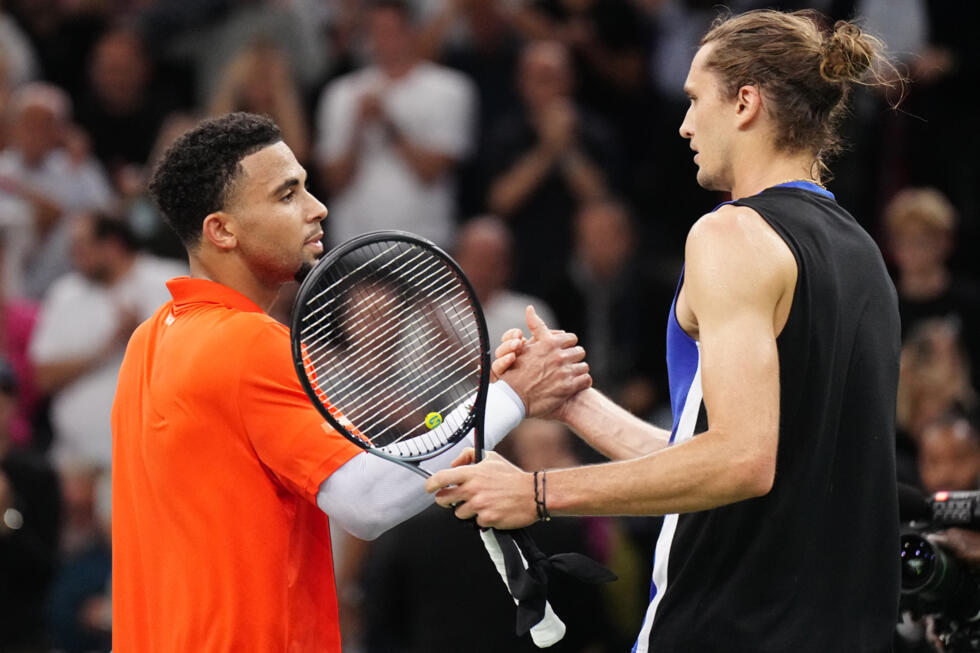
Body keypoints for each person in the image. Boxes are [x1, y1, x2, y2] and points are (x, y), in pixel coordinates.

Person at [427, 9, 902, 652]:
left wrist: (535, 492)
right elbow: (730, 465)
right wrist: (578, 405)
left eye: (693, 98)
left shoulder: (729, 232)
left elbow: (740, 461)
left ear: (745, 103)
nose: (683, 124)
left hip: (728, 628)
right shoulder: (863, 253)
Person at [111, 112, 590, 652]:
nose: (318, 208)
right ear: (222, 230)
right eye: (287, 195)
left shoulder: (147, 342)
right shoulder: (248, 343)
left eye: (307, 186)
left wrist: (495, 400)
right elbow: (367, 502)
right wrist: (513, 397)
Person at [315, 0, 476, 249]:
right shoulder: (341, 93)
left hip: (425, 244)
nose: (384, 40)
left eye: (392, 31)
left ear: (411, 32)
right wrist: (358, 126)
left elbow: (431, 172)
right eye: (376, 32)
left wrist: (388, 124)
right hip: (353, 246)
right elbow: (332, 181)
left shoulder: (450, 89)